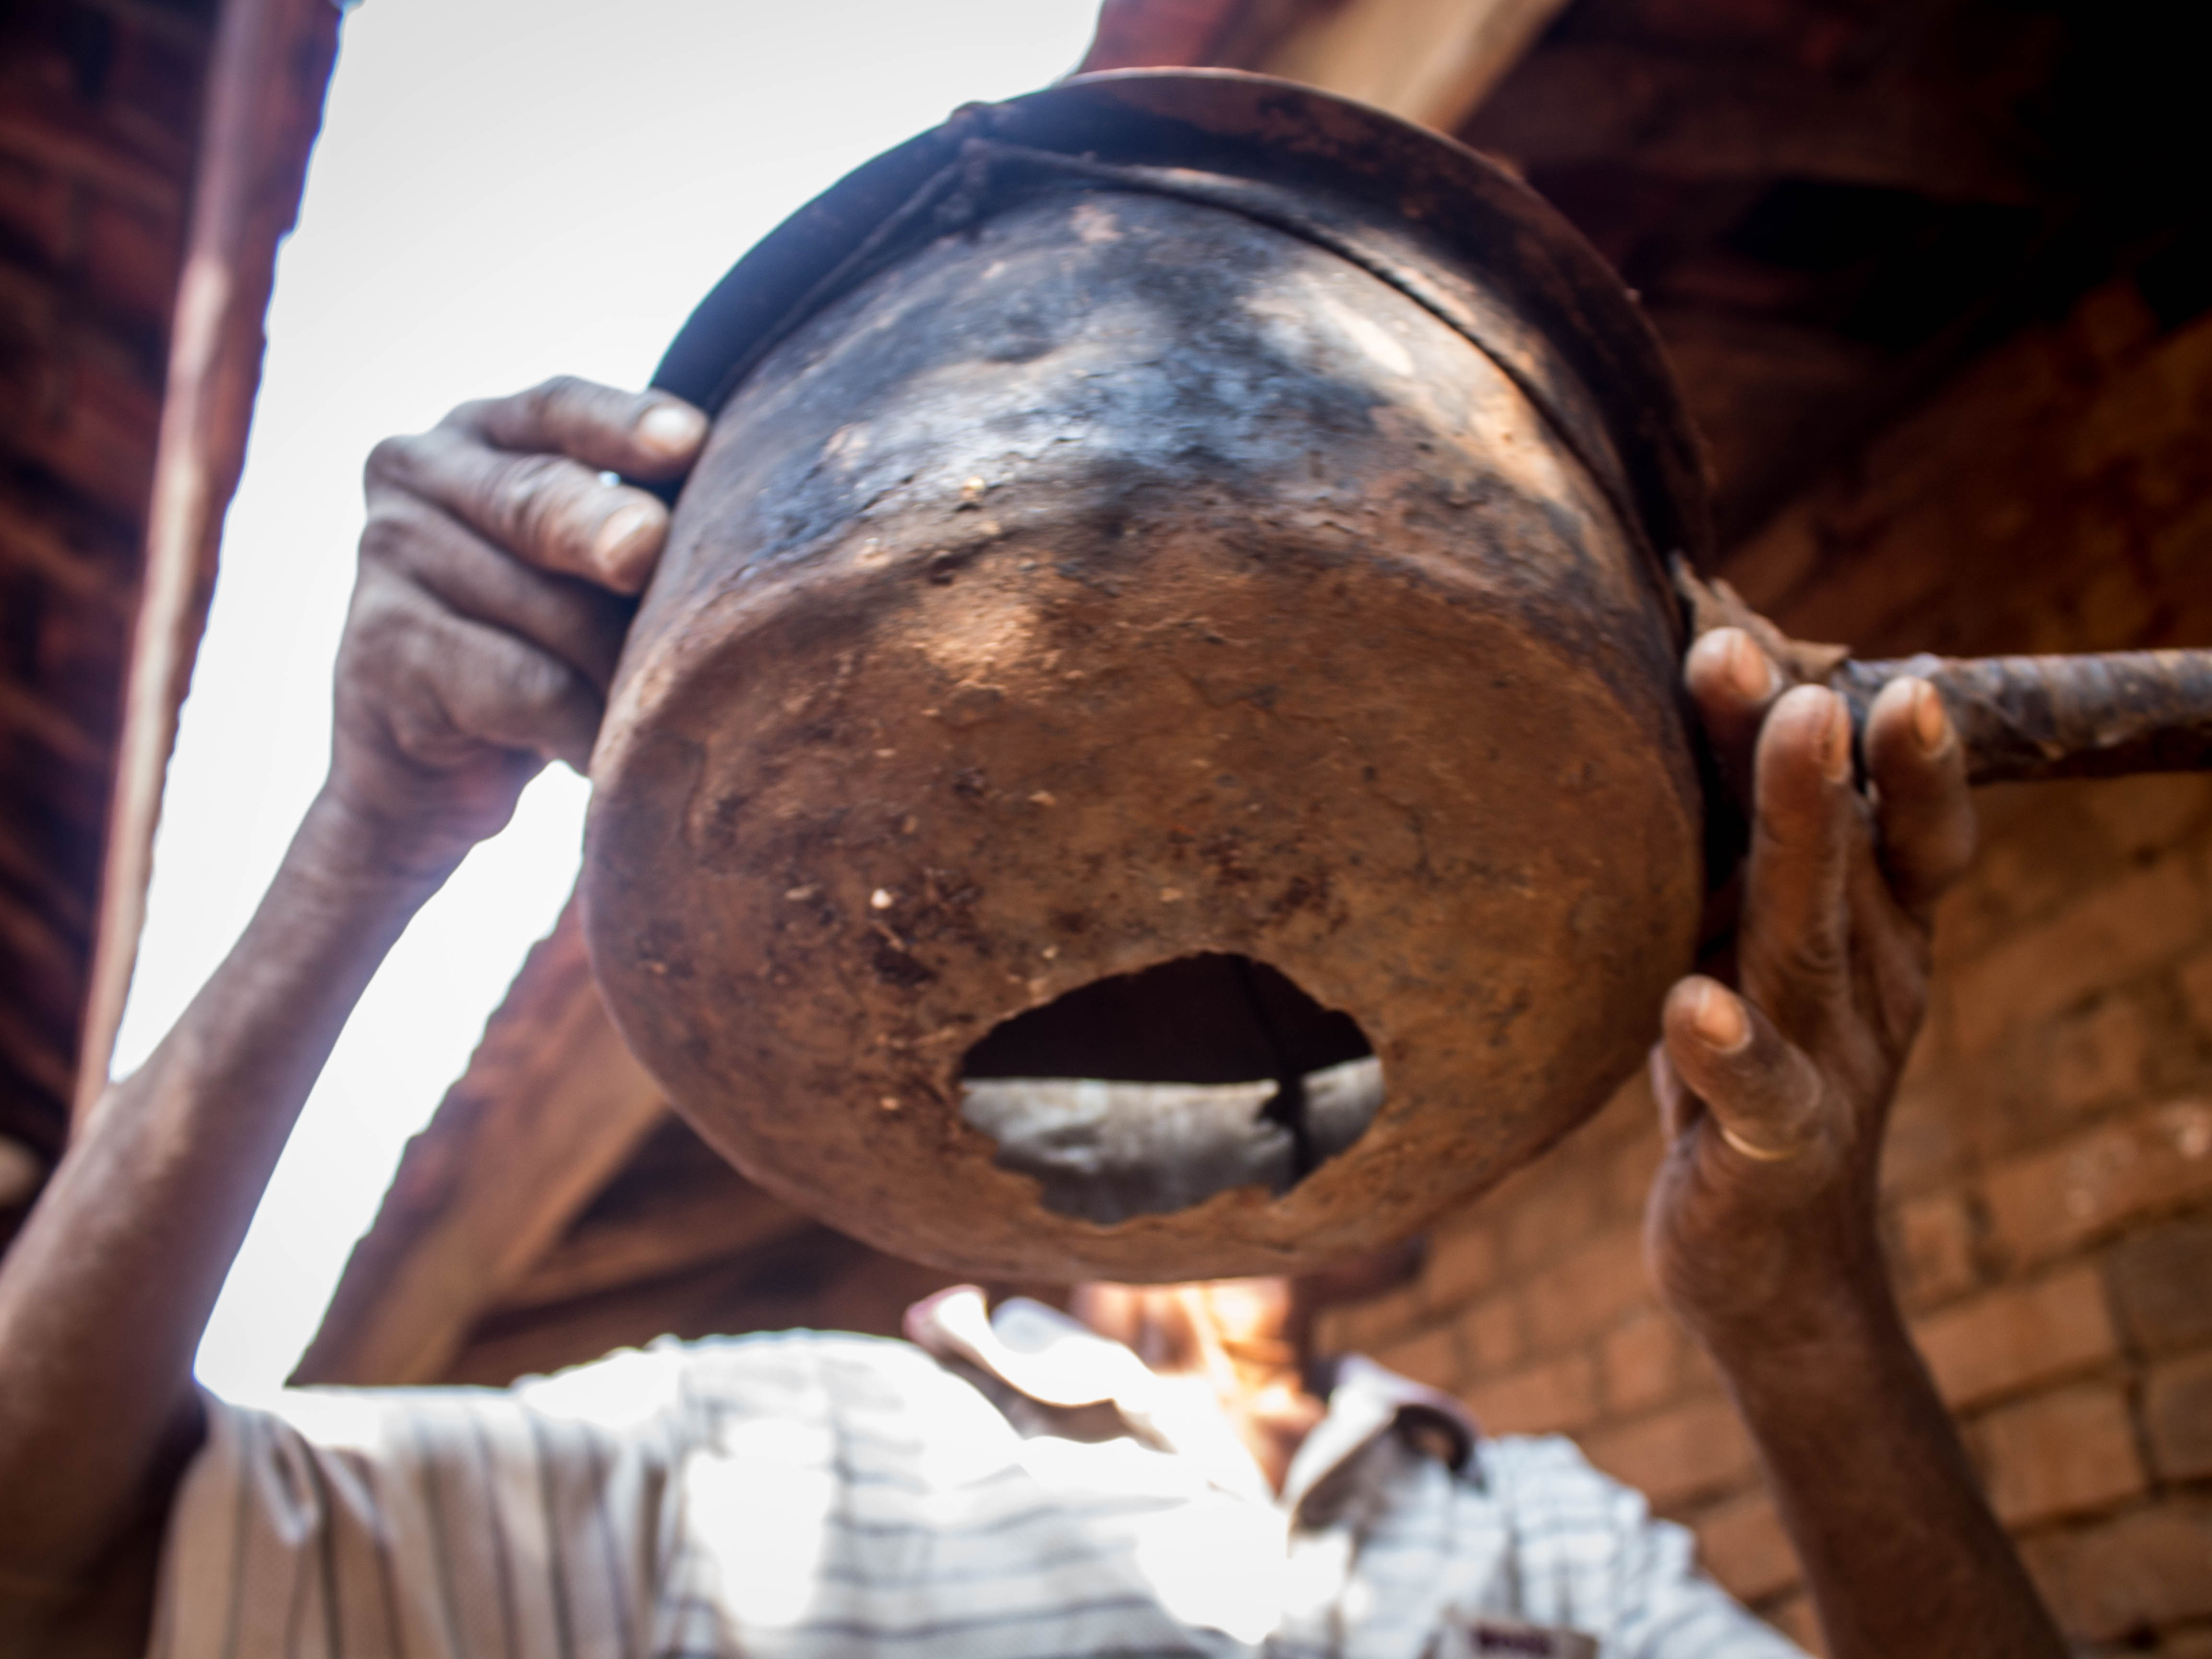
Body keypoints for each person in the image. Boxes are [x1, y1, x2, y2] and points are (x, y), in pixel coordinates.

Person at [0, 376, 2064, 1659]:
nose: (1215, 1026)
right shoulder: (741, 1470)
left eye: (1285, 947)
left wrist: (1799, 1302)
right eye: (1160, 990)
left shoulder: (1539, 1541)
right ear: (1004, 1132)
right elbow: (46, 1572)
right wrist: (366, 840)